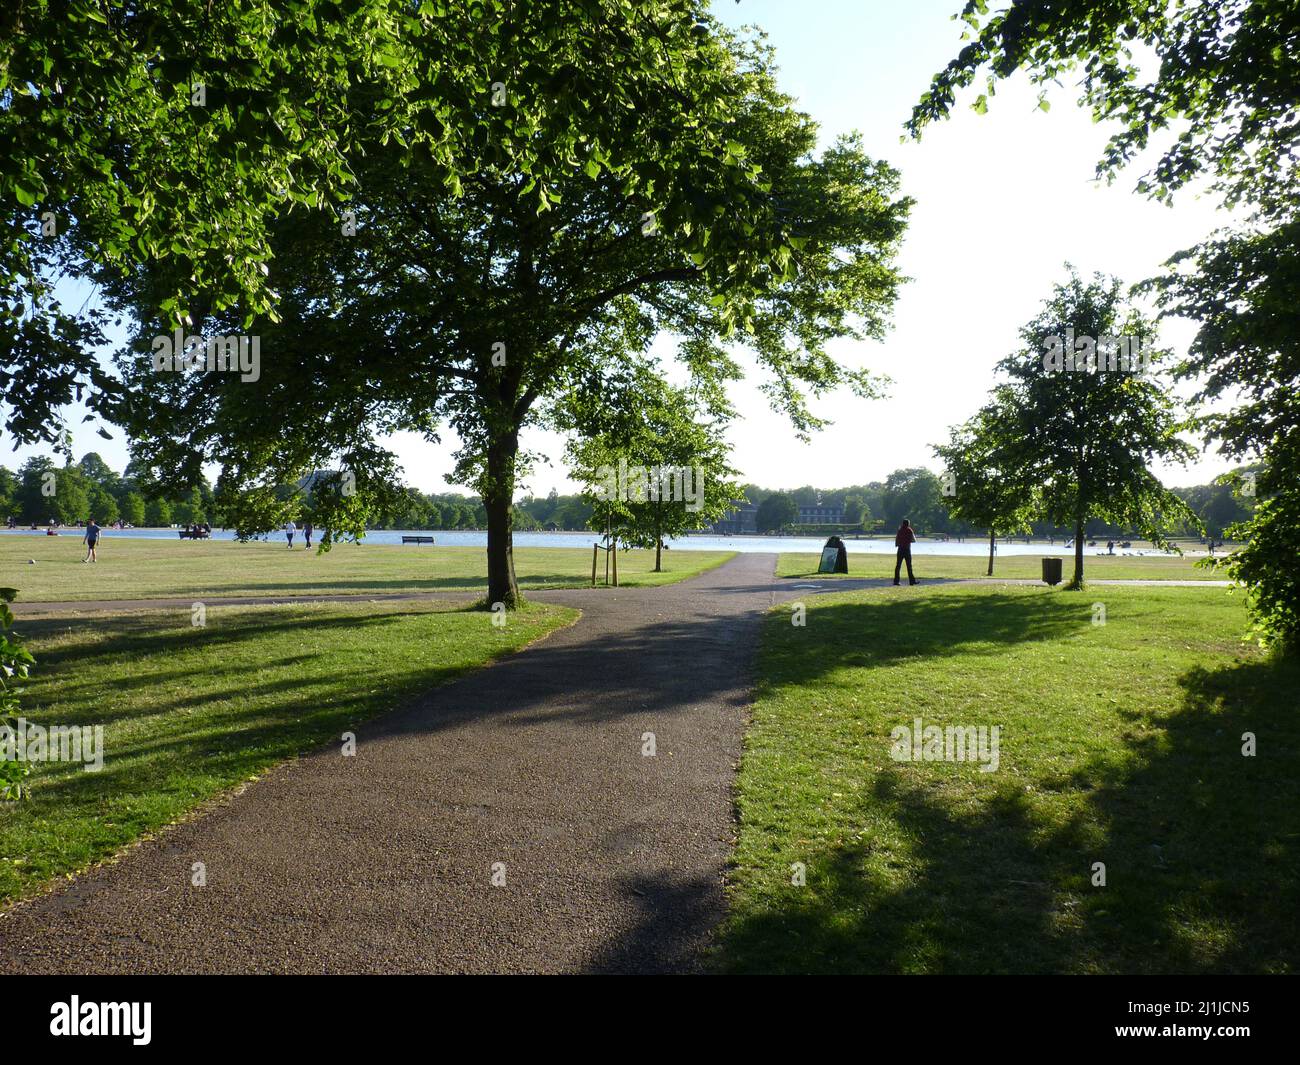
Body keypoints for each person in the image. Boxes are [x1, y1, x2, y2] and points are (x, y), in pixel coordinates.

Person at [894, 518, 917, 585]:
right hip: (907, 549)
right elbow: (913, 540)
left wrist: (898, 544)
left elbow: (897, 539)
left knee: (898, 566)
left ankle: (896, 581)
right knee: (909, 566)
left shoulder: (900, 530)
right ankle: (911, 581)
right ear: (908, 524)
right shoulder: (909, 530)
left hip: (900, 549)